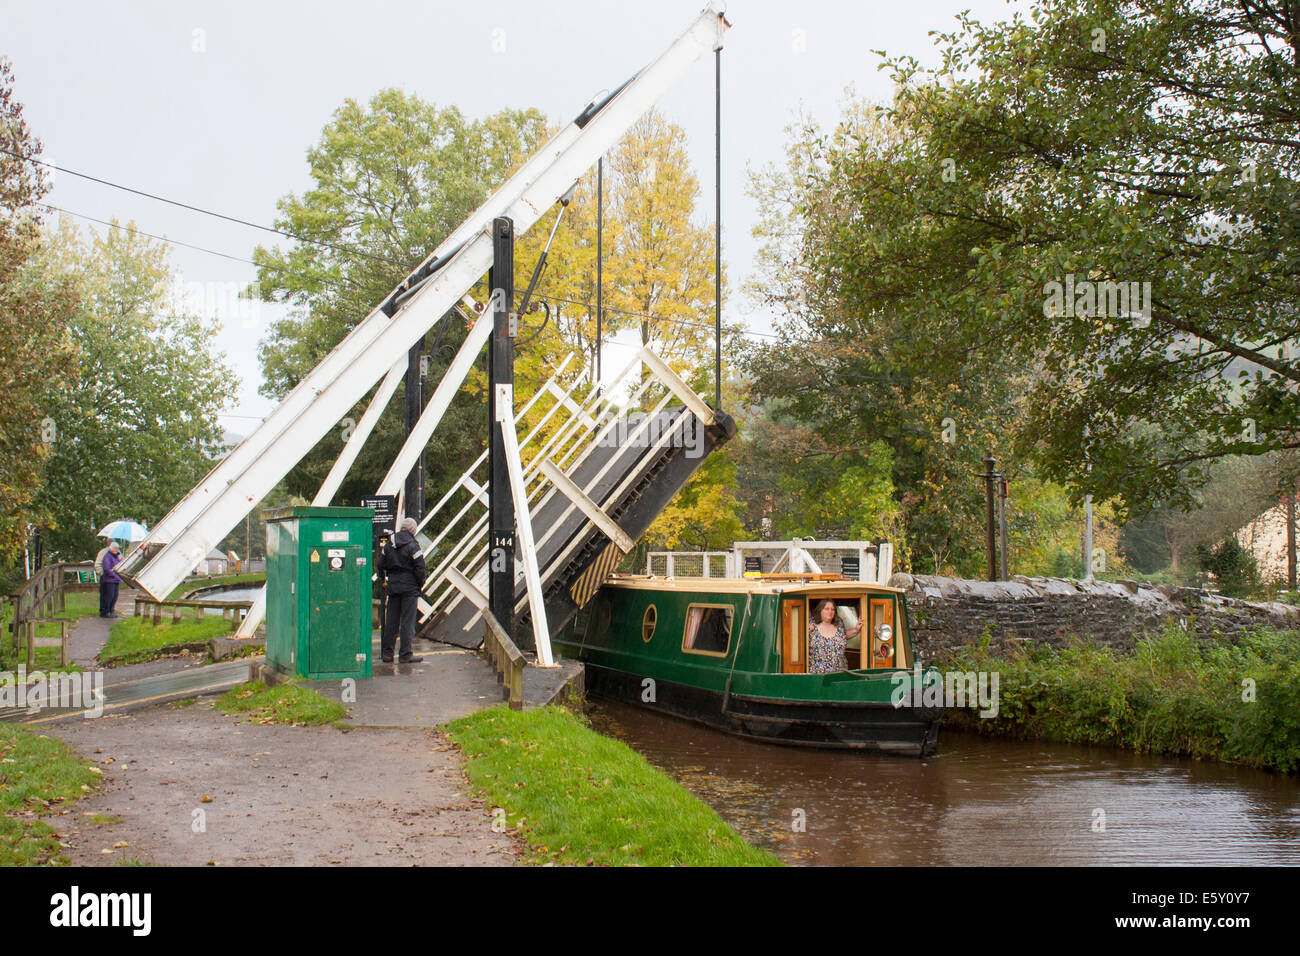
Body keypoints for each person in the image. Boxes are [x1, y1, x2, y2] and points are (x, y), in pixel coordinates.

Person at [377, 516, 426, 664]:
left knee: (391, 621)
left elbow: (380, 564)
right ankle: (405, 654)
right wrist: (420, 584)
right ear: (413, 530)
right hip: (409, 587)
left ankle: (387, 654)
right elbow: (420, 567)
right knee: (407, 622)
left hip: (393, 586)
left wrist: (383, 579)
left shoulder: (389, 544)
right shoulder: (413, 545)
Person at [807, 598, 862, 674]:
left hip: (839, 675)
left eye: (832, 609)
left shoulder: (839, 623)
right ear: (820, 610)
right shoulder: (811, 625)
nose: (830, 612)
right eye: (826, 609)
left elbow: (843, 635)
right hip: (818, 676)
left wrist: (856, 630)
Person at [100, 541, 123, 618]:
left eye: (117, 548)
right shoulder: (107, 557)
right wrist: (116, 576)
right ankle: (107, 611)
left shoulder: (116, 557)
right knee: (109, 596)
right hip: (109, 580)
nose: (117, 550)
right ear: (111, 548)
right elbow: (107, 569)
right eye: (116, 548)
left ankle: (111, 610)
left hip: (115, 580)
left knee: (114, 596)